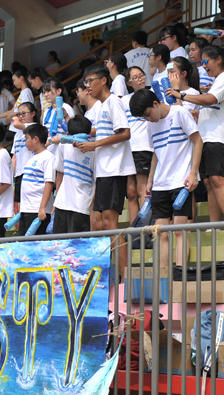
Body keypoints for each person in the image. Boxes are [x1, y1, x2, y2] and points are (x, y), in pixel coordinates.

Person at [168, 45, 224, 223]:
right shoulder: (218, 80)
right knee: (209, 182)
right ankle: (214, 224)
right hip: (207, 137)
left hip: (218, 137)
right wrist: (199, 114)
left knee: (218, 179)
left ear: (219, 59)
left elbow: (211, 99)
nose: (204, 66)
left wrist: (181, 95)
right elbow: (215, 106)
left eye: (206, 61)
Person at [132, 88, 202, 268]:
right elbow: (156, 153)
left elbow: (198, 141)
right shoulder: (151, 125)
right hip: (160, 184)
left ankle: (179, 274)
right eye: (144, 118)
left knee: (179, 231)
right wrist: (150, 181)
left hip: (181, 181)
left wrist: (193, 173)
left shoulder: (179, 113)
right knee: (161, 233)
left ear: (155, 103)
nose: (149, 119)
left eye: (148, 114)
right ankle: (163, 276)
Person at [75, 64, 134, 271]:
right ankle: (111, 275)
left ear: (104, 81)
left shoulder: (113, 102)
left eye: (90, 81)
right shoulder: (101, 107)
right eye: (86, 82)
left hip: (114, 170)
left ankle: (125, 277)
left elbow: (125, 133)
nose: (87, 86)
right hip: (104, 171)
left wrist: (95, 144)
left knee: (110, 224)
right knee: (101, 223)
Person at [122, 66, 155, 227]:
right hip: (128, 149)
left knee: (143, 190)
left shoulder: (151, 95)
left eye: (141, 75)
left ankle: (144, 228)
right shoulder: (123, 101)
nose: (140, 79)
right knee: (131, 193)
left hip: (144, 147)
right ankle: (134, 231)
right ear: (129, 83)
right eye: (135, 77)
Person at [52, 115, 96, 233]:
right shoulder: (64, 146)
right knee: (59, 241)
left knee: (77, 242)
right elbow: (60, 173)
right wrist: (56, 201)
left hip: (81, 206)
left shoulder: (94, 152)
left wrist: (93, 211)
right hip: (62, 204)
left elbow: (96, 182)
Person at [18, 124, 55, 235]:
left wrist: (42, 207)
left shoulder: (48, 157)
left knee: (37, 242)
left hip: (37, 210)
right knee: (23, 242)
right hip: (27, 209)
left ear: (35, 139)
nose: (25, 142)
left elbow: (49, 183)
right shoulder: (32, 156)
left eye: (27, 139)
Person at [10, 103, 38, 215]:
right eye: (19, 114)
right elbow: (14, 156)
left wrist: (15, 118)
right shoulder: (17, 134)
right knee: (19, 204)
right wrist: (10, 175)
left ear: (33, 114)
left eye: (23, 113)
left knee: (29, 205)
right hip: (19, 173)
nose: (20, 116)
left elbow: (16, 123)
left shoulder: (34, 128)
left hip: (30, 172)